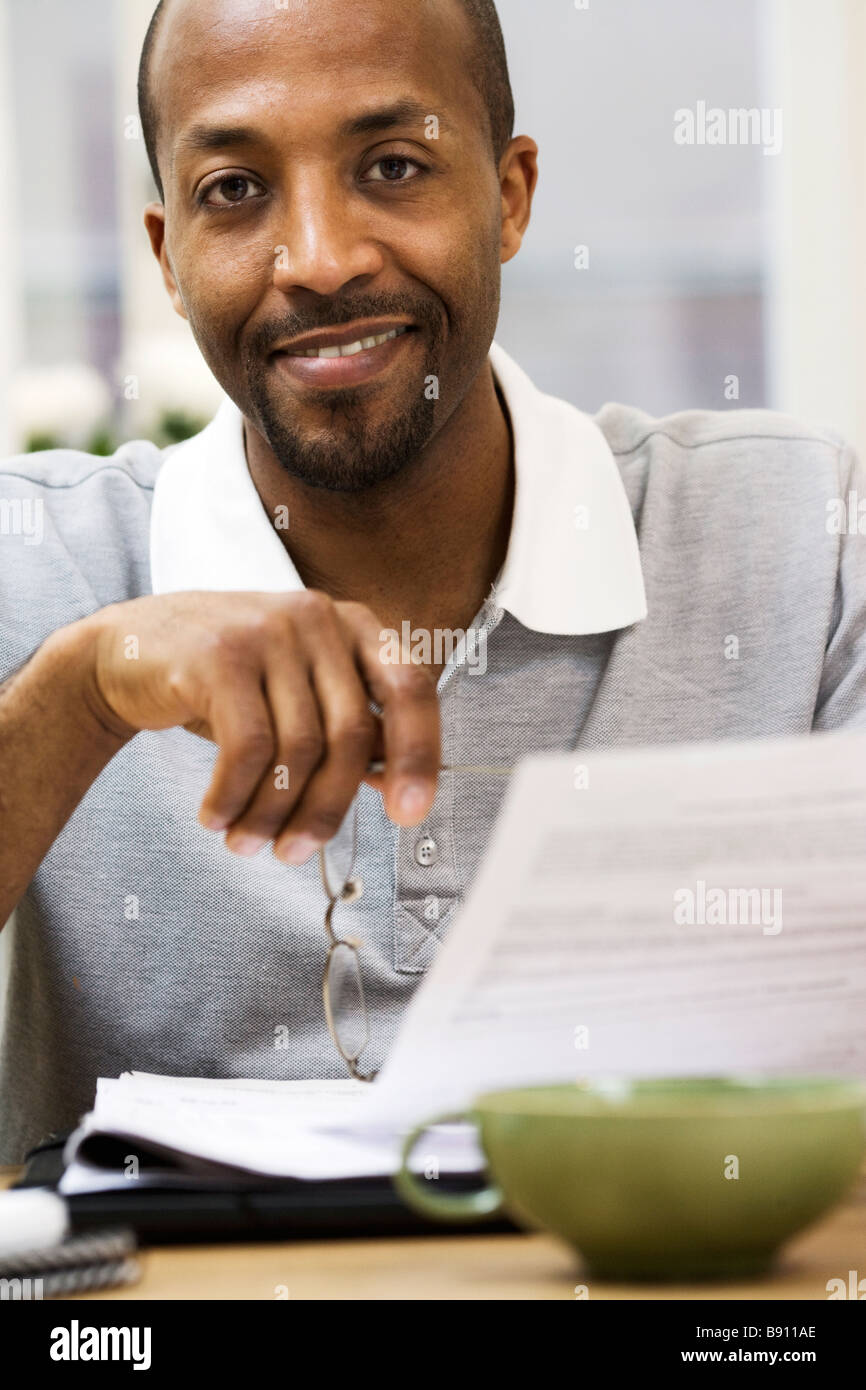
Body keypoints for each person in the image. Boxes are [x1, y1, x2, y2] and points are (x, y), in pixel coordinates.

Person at [0, 0, 863, 1162]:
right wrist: (84, 696)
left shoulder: (802, 539)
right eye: (234, 192)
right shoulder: (35, 568)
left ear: (508, 195)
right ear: (165, 255)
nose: (317, 259)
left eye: (393, 166)